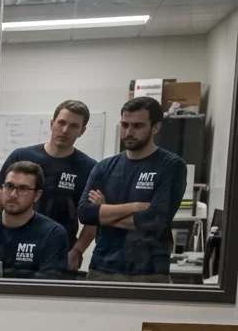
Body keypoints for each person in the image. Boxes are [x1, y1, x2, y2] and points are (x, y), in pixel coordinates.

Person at [77, 96, 188, 282]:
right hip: (103, 268)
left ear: (156, 127)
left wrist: (104, 214)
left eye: (137, 126)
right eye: (124, 125)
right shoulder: (104, 167)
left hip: (150, 272)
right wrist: (136, 207)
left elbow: (156, 220)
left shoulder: (171, 165)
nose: (128, 132)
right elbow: (86, 213)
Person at [0, 100, 97, 271]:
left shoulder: (88, 168)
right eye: (61, 123)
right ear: (52, 123)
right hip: (11, 244)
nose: (64, 130)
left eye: (73, 126)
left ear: (82, 131)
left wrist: (77, 250)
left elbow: (93, 219)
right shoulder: (22, 155)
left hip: (58, 250)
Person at [0, 161, 69, 278]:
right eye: (9, 186)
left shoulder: (53, 234)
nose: (13, 195)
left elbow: (48, 286)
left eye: (23, 188)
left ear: (37, 195)